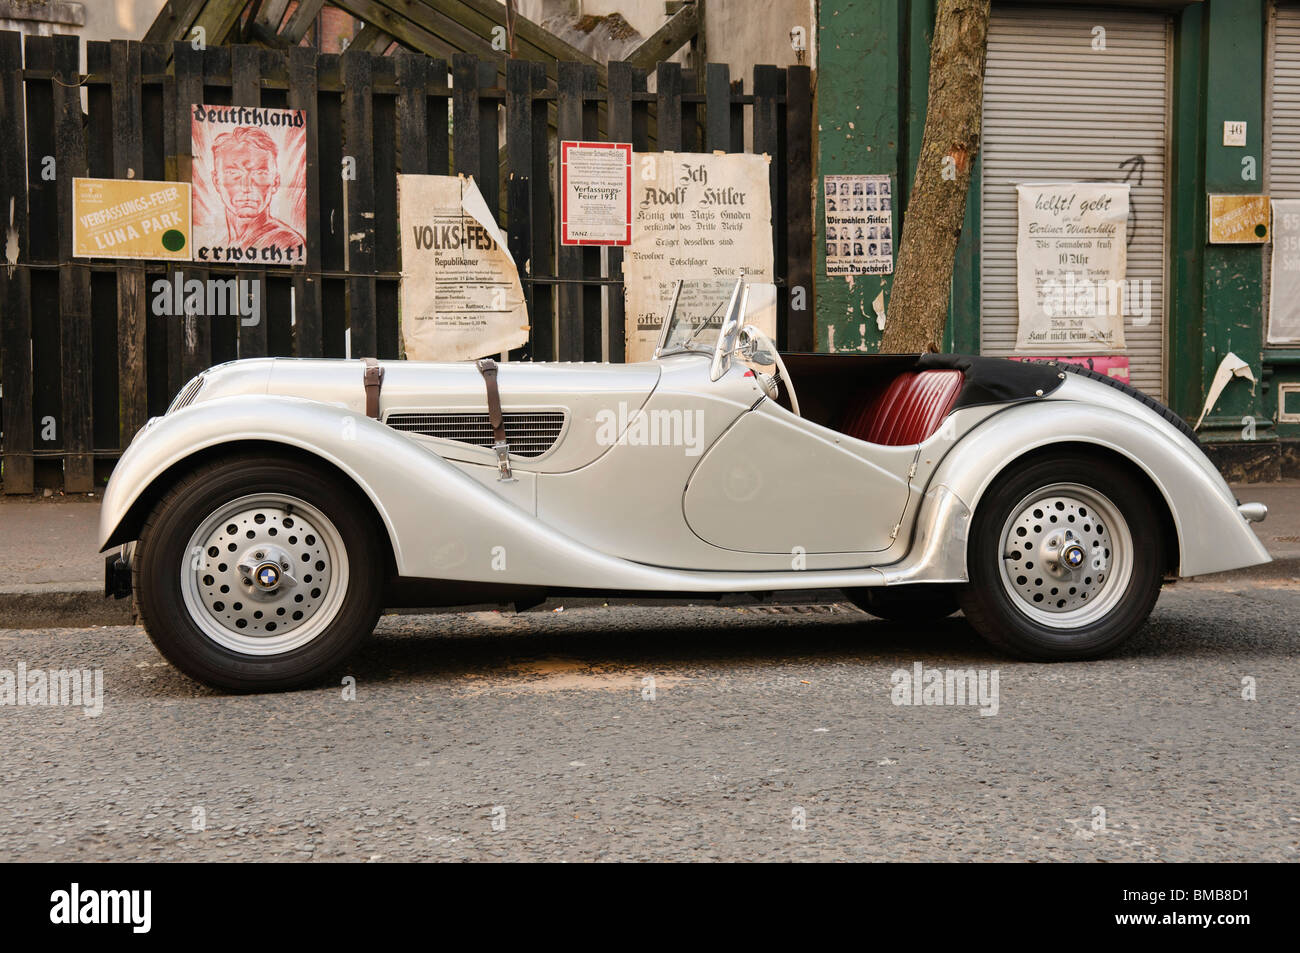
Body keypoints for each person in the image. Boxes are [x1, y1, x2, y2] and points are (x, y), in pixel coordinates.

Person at [209, 126, 304, 250]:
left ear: (275, 182)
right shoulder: (219, 244)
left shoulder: (287, 243)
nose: (247, 187)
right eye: (233, 173)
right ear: (216, 181)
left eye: (259, 173)